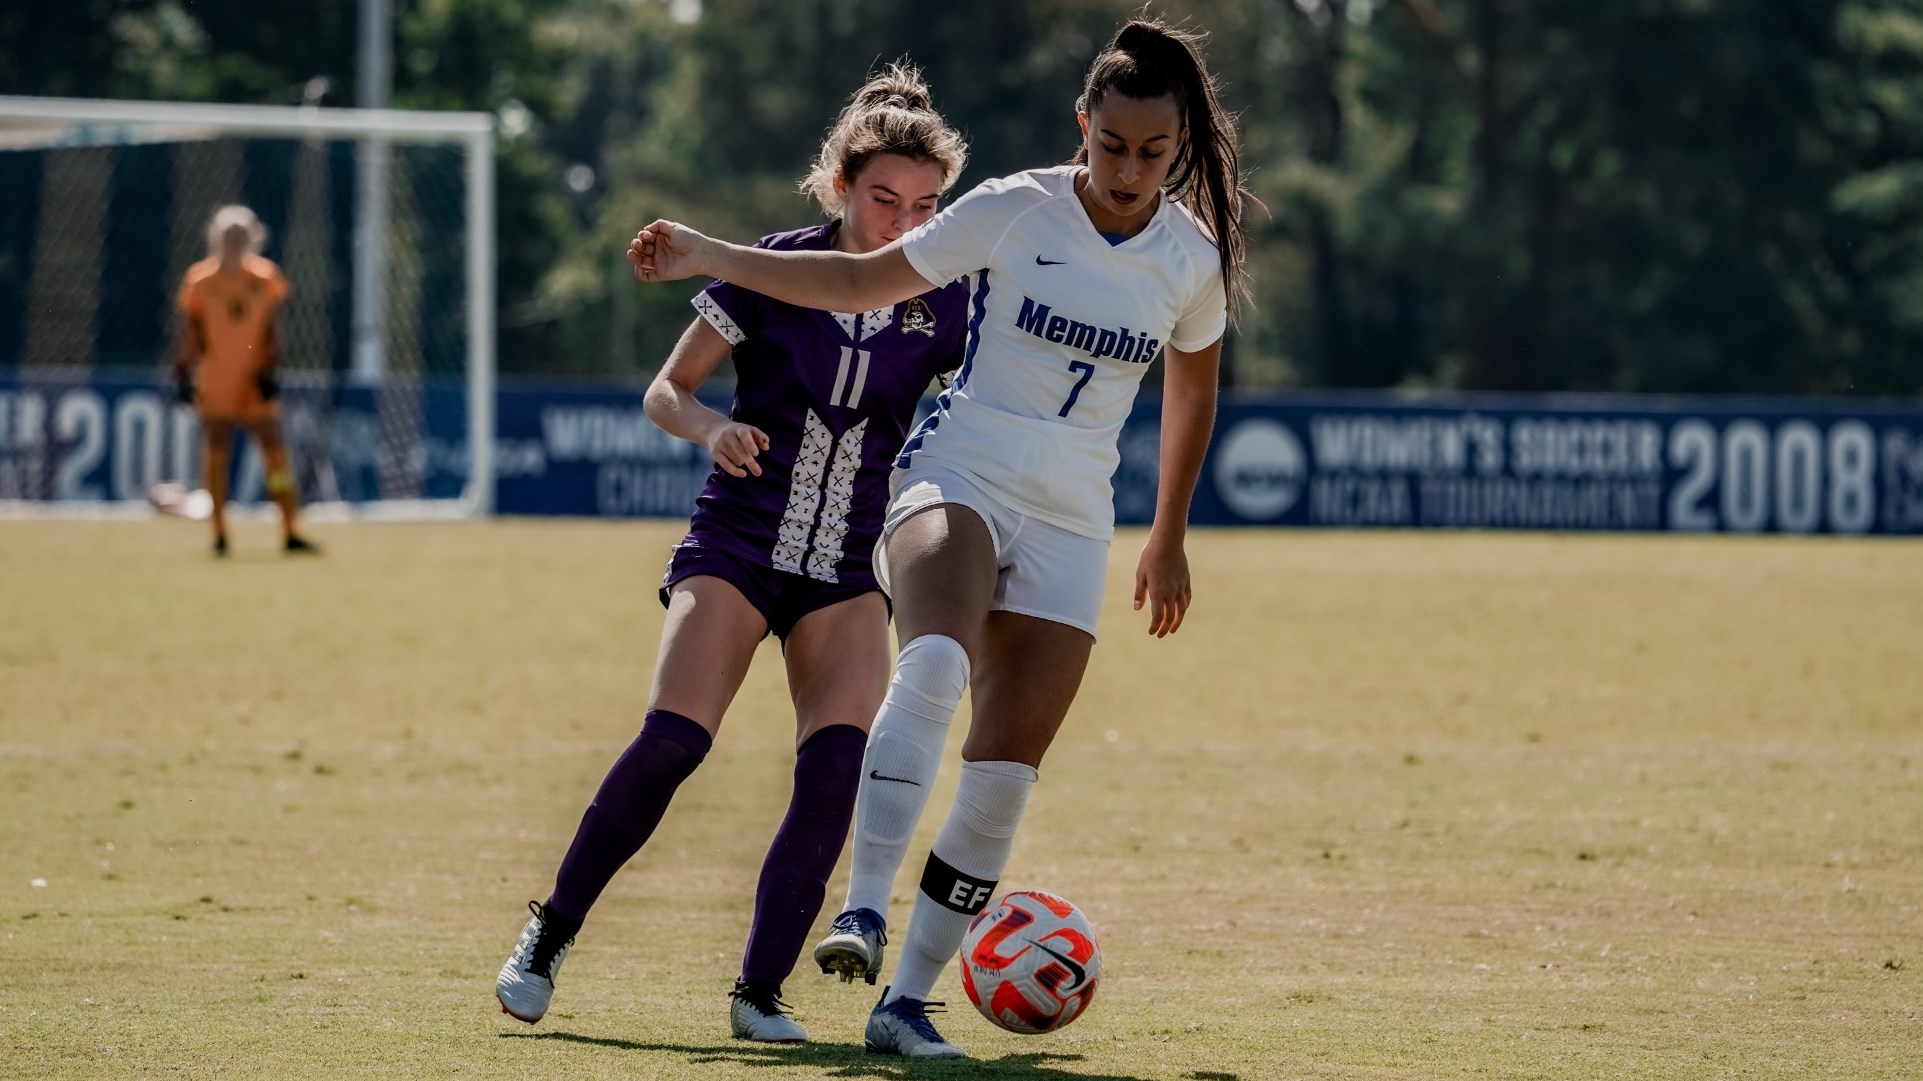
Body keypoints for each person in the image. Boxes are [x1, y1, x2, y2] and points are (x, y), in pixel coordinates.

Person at [628, 17, 1249, 1060]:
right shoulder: (1013, 208)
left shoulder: (1188, 258)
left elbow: (1193, 389)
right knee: (934, 660)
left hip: (1073, 513)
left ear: (1179, 144)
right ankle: (863, 909)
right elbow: (862, 283)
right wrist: (707, 253)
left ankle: (905, 1003)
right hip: (955, 470)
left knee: (1006, 772)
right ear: (1081, 126)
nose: (1130, 169)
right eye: (1112, 145)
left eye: (1154, 152)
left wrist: (1168, 533)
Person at [496, 64, 972, 1044]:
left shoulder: (948, 302)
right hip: (739, 540)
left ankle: (759, 993)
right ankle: (549, 931)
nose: (904, 221)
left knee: (836, 769)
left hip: (847, 564)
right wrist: (712, 429)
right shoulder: (772, 267)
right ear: (840, 186)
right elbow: (666, 391)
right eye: (884, 198)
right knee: (675, 740)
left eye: (926, 205)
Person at [173, 205, 318, 556]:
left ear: (253, 239)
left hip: (254, 381)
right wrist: (182, 371)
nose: (234, 242)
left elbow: (273, 329)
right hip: (216, 381)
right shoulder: (201, 281)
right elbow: (192, 331)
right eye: (228, 236)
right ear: (215, 238)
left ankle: (290, 531)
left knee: (276, 459)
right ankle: (220, 534)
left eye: (240, 236)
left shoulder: (266, 279)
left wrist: (271, 370)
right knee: (216, 457)